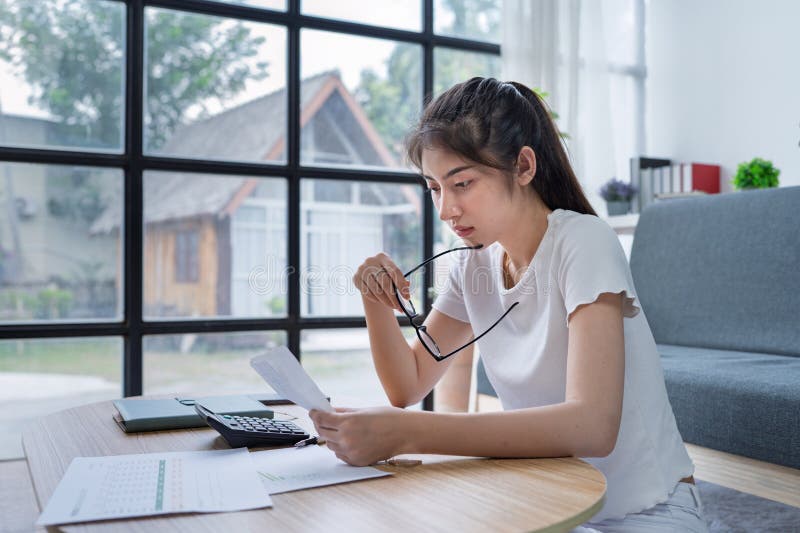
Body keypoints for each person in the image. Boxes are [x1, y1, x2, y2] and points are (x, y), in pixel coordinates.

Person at [309, 77, 708, 532]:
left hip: (644, 508)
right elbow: (409, 384)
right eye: (434, 188)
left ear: (523, 166)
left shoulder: (583, 242)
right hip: (549, 501)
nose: (446, 209)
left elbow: (592, 427)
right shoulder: (474, 265)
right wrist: (375, 300)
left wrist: (407, 431)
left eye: (462, 183)